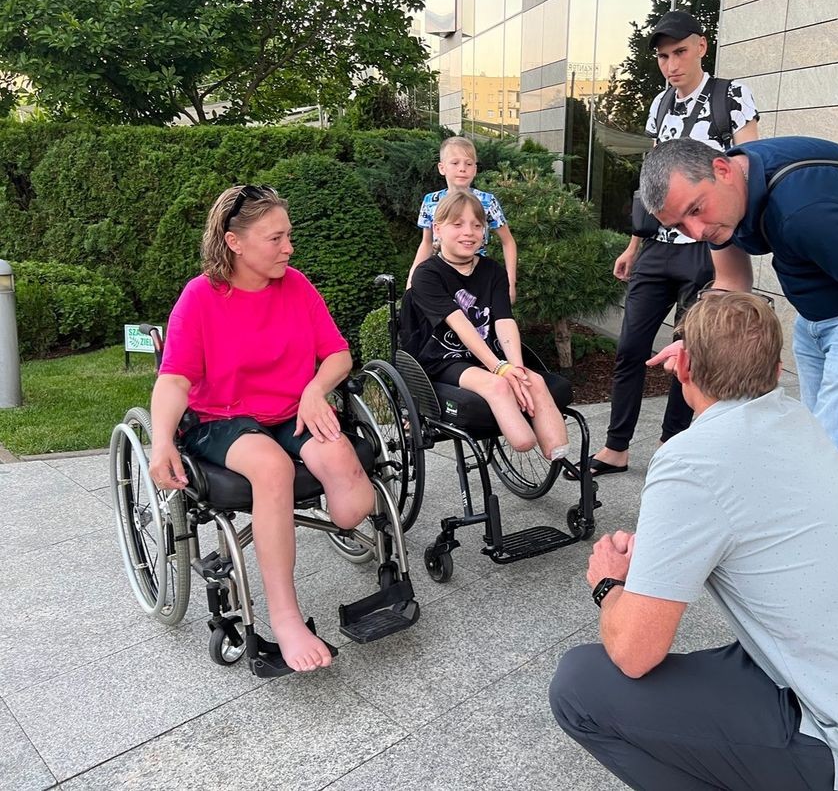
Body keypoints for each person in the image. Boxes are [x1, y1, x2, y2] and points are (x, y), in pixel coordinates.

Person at [549, 293, 838, 791]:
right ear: (778, 368)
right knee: (738, 651)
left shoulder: (690, 462)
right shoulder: (796, 421)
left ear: (684, 365)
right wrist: (701, 362)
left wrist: (609, 585)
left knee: (579, 684)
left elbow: (635, 652)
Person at [148, 184, 375, 673]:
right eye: (276, 238)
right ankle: (286, 616)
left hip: (292, 409)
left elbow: (338, 353)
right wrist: (162, 441)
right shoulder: (201, 298)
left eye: (288, 236)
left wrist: (316, 390)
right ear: (235, 241)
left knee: (345, 478)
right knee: (273, 469)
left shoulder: (296, 285)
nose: (288, 248)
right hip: (222, 419)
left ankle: (303, 528)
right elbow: (174, 379)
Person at [639, 135, 838, 472]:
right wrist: (693, 342)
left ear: (722, 169)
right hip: (818, 310)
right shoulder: (727, 193)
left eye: (696, 210)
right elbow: (731, 282)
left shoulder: (803, 208)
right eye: (678, 226)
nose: (696, 231)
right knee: (815, 440)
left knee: (832, 462)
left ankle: (835, 520)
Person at [587, 9, 759, 478]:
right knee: (630, 348)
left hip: (708, 248)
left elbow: (748, 170)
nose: (671, 64)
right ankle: (616, 447)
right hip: (659, 247)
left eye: (679, 52)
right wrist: (633, 245)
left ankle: (672, 445)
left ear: (702, 46)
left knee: (689, 352)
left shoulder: (732, 98)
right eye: (663, 56)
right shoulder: (659, 107)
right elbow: (653, 188)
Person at [405, 190, 569, 460]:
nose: (468, 232)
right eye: (457, 224)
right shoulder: (427, 274)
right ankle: (523, 437)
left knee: (533, 380)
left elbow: (504, 320)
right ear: (437, 229)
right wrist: (499, 369)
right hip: (443, 357)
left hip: (488, 353)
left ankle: (558, 453)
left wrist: (515, 367)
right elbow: (460, 325)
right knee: (498, 386)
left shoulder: (493, 271)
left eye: (477, 225)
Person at [407, 135, 519, 303]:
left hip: (477, 276)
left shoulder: (487, 201)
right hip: (441, 275)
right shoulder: (431, 201)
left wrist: (510, 283)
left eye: (468, 163)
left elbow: (508, 241)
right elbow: (427, 243)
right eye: (455, 163)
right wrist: (412, 280)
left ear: (475, 169)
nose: (462, 168)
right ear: (442, 167)